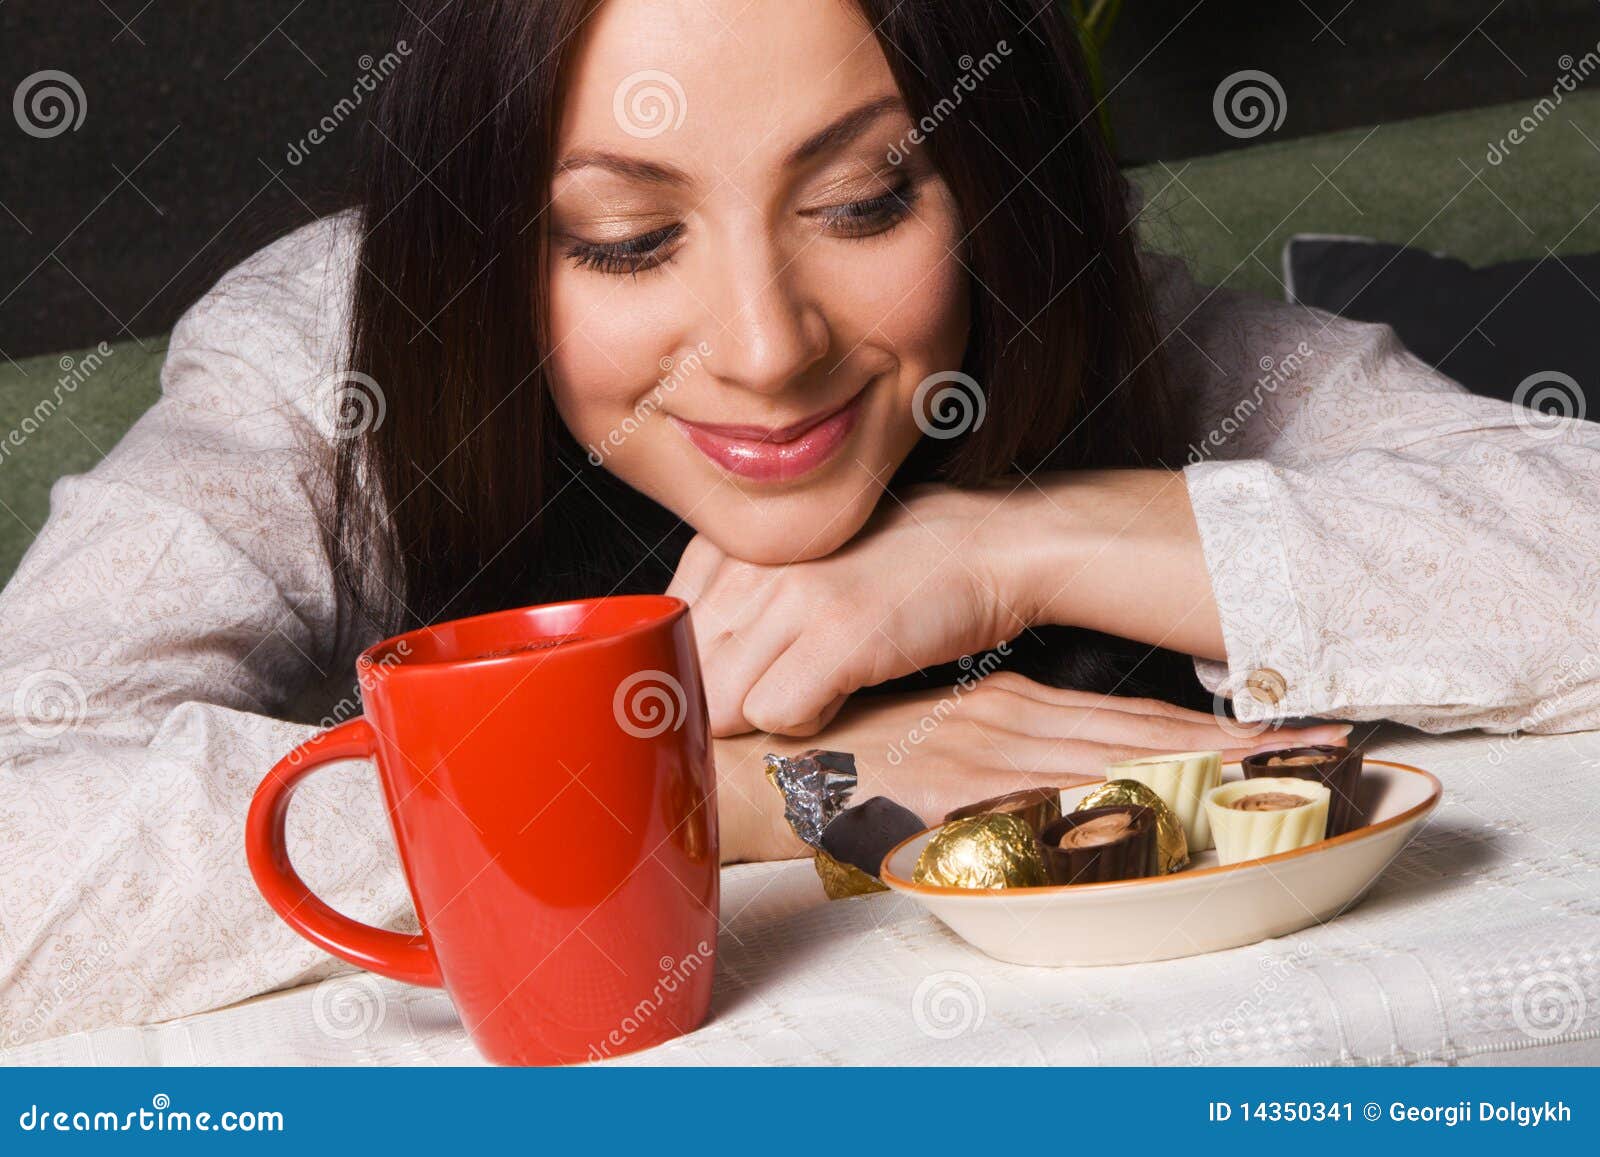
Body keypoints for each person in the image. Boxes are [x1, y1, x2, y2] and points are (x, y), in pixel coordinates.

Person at [2, 0, 1596, 1047]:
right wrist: (736, 791)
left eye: (862, 205)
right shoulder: (320, 365)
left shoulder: (1089, 319)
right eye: (625, 243)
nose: (768, 350)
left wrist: (1001, 547)